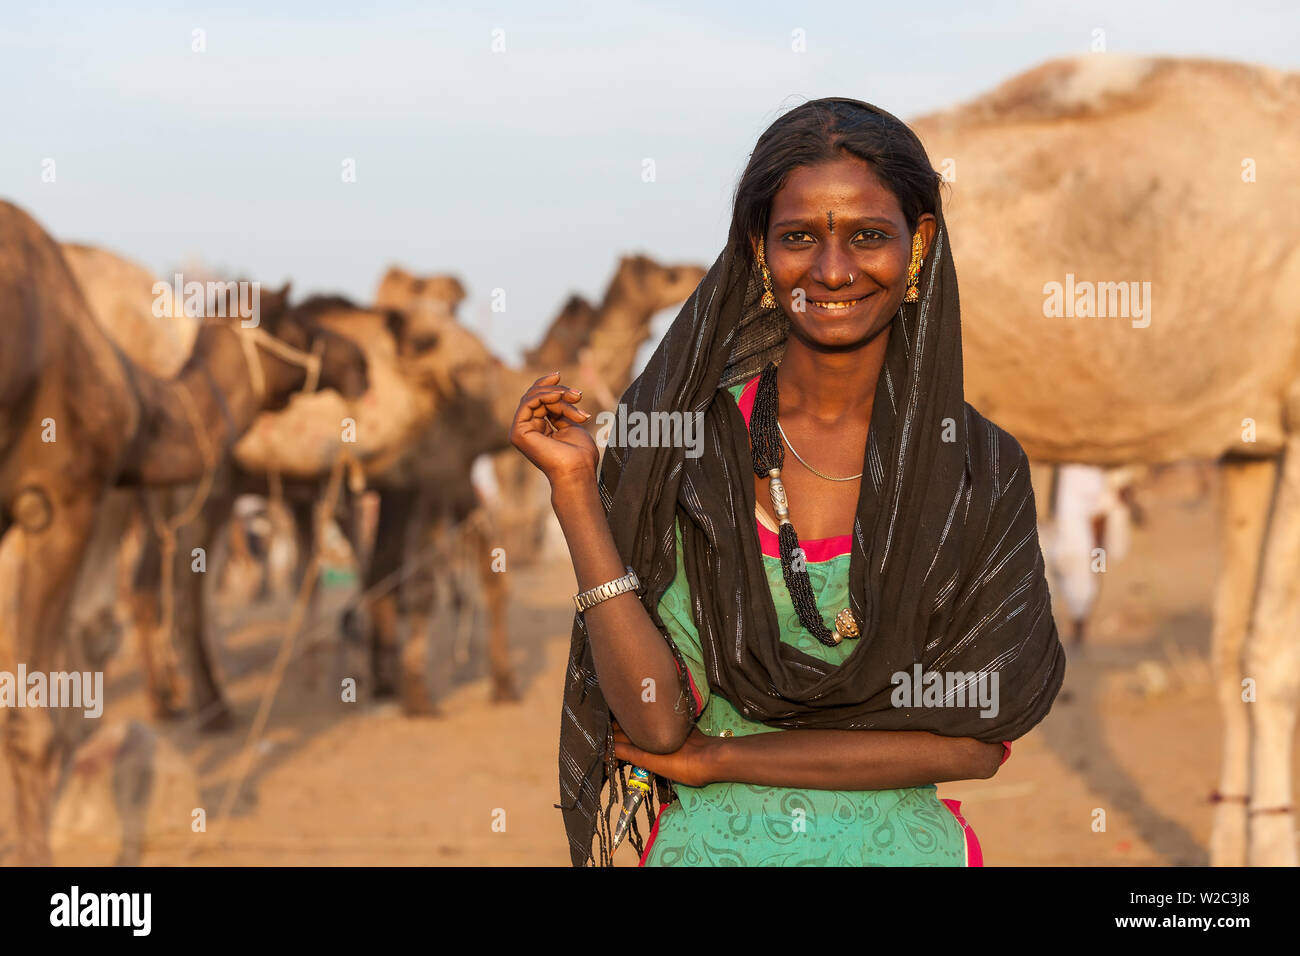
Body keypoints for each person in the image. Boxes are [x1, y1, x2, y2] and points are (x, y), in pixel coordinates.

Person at [510, 97, 1066, 867]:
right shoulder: (689, 448)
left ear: (919, 244)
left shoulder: (977, 466)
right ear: (758, 251)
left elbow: (974, 744)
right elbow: (657, 722)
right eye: (800, 237)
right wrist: (574, 489)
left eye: (869, 236)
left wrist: (721, 760)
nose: (834, 270)